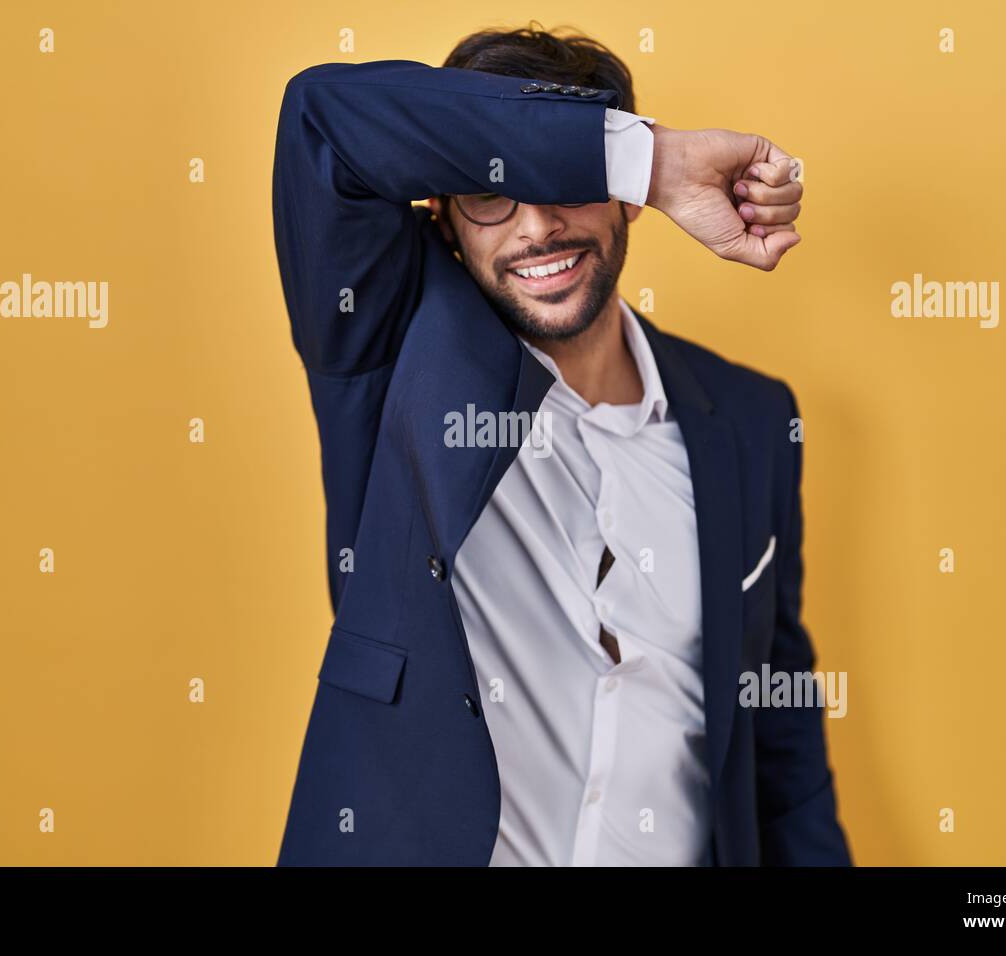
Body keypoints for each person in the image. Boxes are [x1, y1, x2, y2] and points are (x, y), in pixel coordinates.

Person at [271, 24, 851, 866]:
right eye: (489, 193)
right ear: (441, 218)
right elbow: (320, 117)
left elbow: (779, 744)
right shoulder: (390, 347)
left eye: (569, 182)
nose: (537, 227)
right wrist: (643, 158)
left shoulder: (755, 418)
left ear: (620, 206)